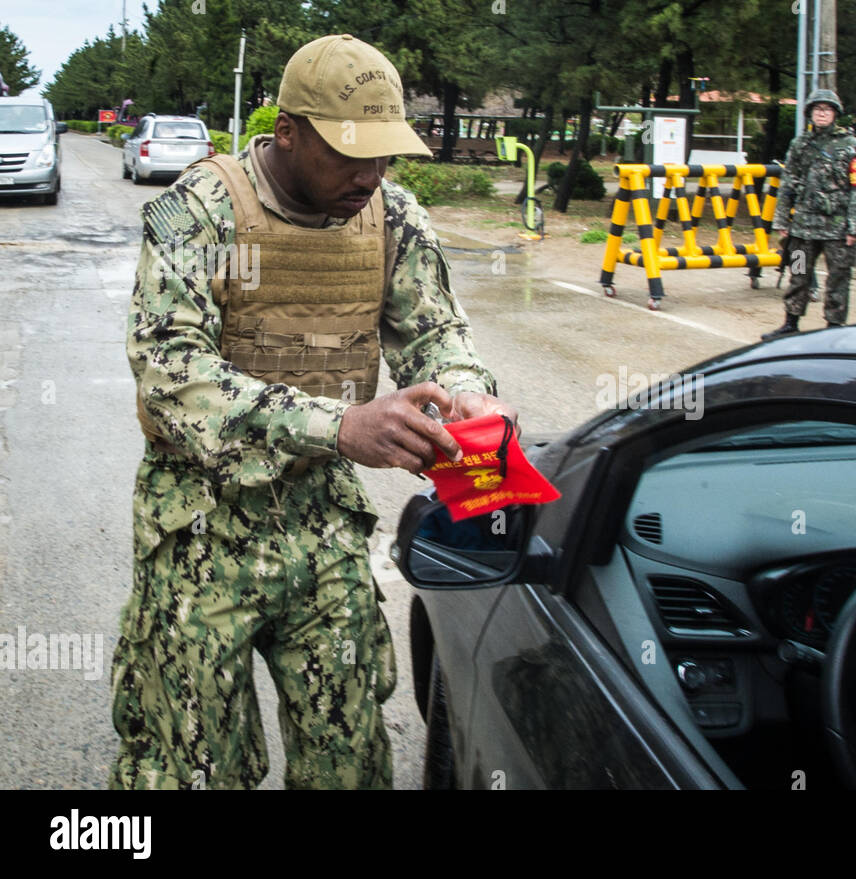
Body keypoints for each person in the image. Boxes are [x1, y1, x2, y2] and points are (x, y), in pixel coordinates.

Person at [112, 33, 516, 789]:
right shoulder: (199, 214)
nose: (371, 175)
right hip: (200, 527)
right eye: (349, 154)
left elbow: (434, 332)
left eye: (385, 156)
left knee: (350, 757)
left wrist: (463, 390)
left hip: (323, 520)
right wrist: (337, 426)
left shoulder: (391, 217)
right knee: (191, 763)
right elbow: (172, 374)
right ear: (289, 131)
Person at [762, 89, 856, 340]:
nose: (822, 113)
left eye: (827, 109)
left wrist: (855, 227)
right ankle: (790, 322)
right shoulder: (800, 145)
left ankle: (834, 328)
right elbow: (788, 183)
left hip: (838, 230)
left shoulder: (851, 146)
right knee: (798, 274)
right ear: (810, 113)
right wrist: (781, 220)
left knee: (838, 279)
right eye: (817, 109)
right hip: (802, 229)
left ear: (835, 114)